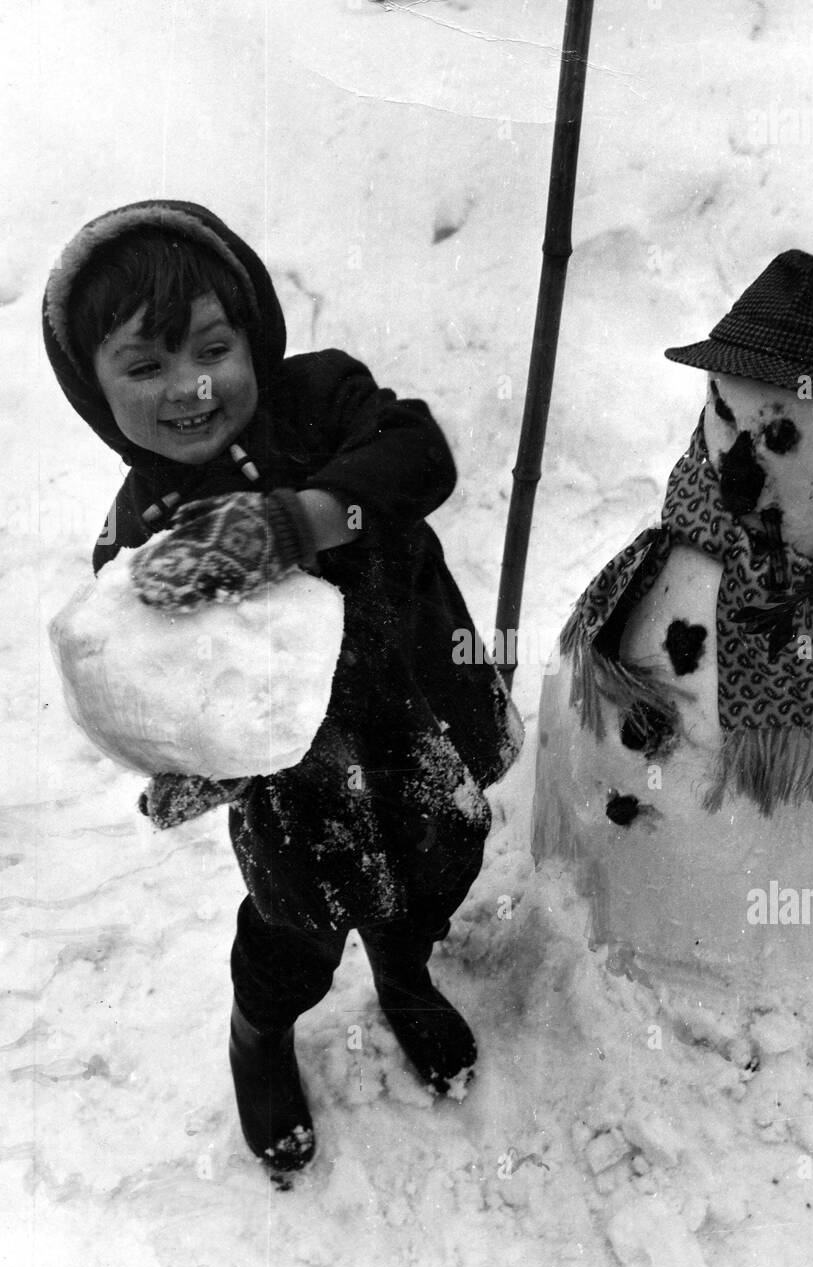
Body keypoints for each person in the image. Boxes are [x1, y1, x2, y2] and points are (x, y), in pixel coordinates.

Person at [43, 200, 522, 1174]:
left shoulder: (321, 399)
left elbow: (420, 457)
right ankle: (259, 1034)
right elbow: (142, 679)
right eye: (145, 367)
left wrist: (301, 521)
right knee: (297, 923)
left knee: (437, 858)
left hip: (417, 701)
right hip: (296, 775)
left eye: (213, 347)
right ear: (95, 394)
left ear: (252, 333)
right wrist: (181, 749)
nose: (192, 387)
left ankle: (405, 971)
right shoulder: (144, 536)